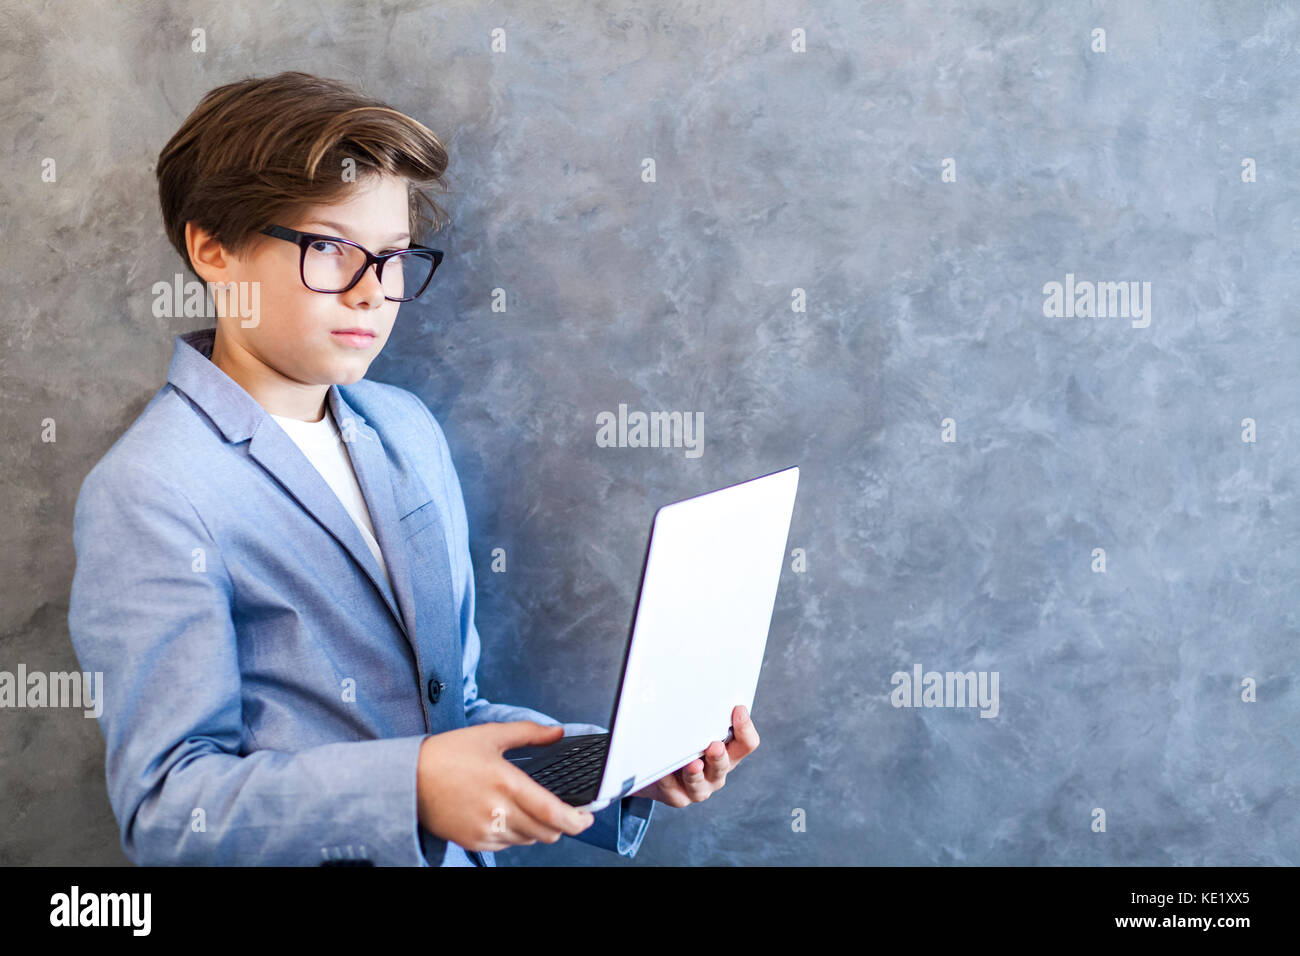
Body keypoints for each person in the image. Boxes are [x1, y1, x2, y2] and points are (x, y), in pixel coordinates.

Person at [67, 71, 759, 867]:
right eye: (330, 249)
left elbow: (451, 716)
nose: (373, 294)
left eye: (392, 257)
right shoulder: (151, 490)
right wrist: (412, 787)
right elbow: (168, 808)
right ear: (212, 249)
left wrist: (624, 765)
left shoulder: (405, 430)